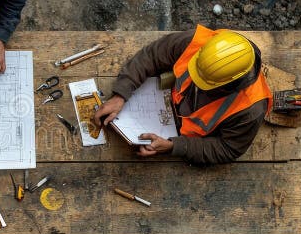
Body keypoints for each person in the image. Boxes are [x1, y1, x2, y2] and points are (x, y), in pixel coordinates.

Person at [93, 25, 272, 164]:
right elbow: (153, 55)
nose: (195, 80)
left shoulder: (250, 109)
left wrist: (175, 146)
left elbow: (227, 149)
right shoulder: (198, 43)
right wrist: (121, 93)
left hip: (181, 136)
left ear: (227, 86)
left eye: (204, 82)